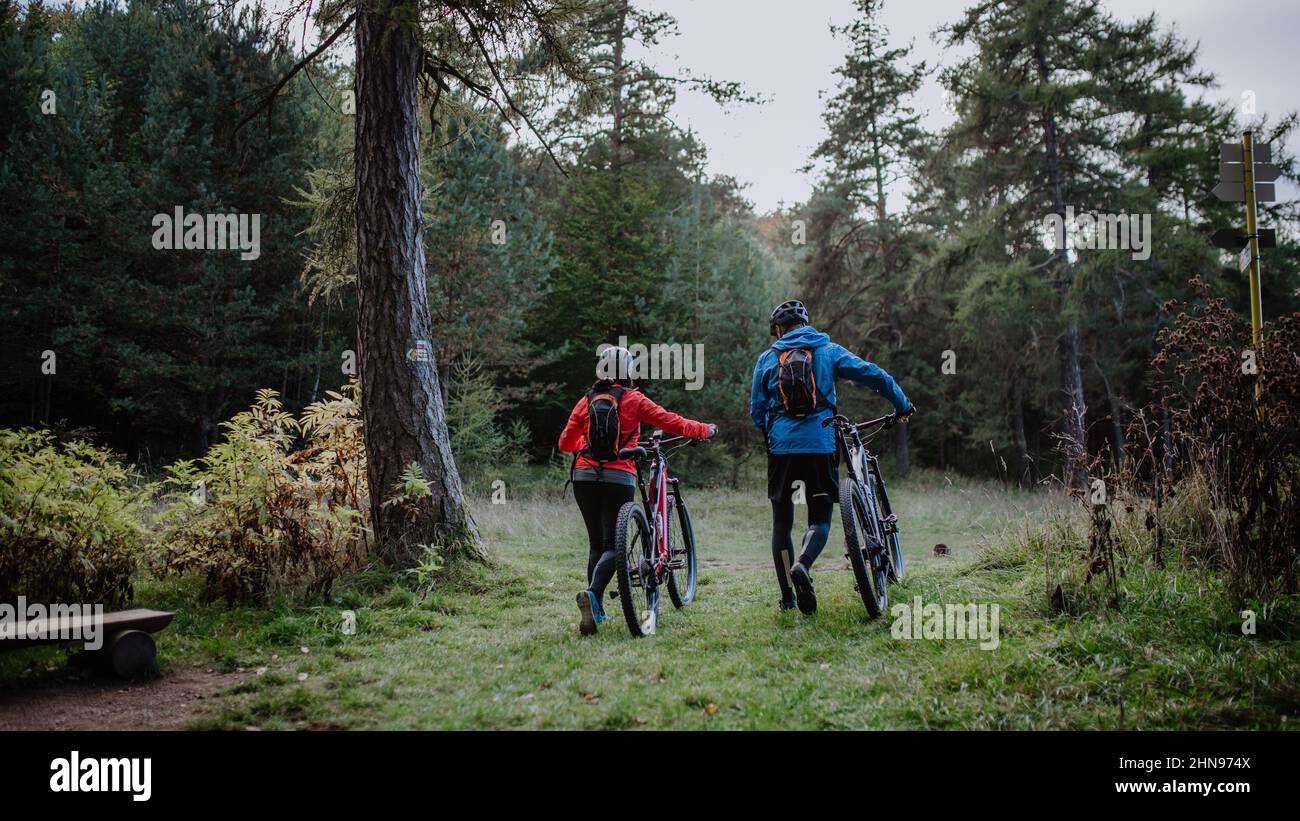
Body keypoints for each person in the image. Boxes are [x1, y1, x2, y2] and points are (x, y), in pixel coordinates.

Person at [749, 300, 913, 615]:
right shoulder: (827, 351)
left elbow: (756, 410)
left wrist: (772, 434)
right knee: (820, 519)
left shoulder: (767, 359)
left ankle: (787, 597)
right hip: (820, 445)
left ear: (780, 330)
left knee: (781, 524)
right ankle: (803, 564)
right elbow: (872, 375)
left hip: (781, 450)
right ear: (806, 323)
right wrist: (901, 403)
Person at [558, 346, 716, 636]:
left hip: (583, 476)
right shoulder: (633, 399)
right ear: (628, 371)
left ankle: (597, 608)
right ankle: (592, 594)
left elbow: (566, 443)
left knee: (597, 544)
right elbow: (672, 422)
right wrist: (704, 429)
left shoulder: (586, 401)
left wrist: (589, 448)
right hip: (619, 476)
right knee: (611, 545)